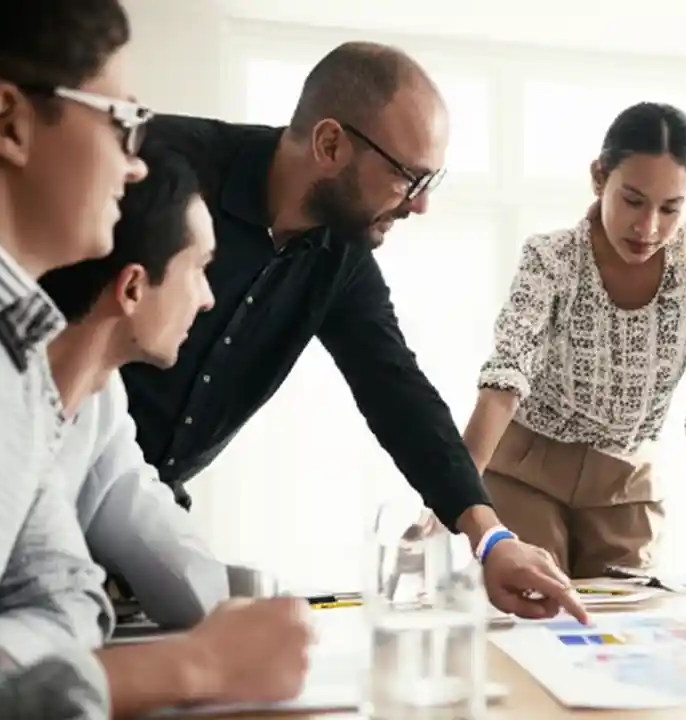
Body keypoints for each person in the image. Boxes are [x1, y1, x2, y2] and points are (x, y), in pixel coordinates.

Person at [129, 41, 586, 622]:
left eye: (431, 180)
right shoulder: (157, 168)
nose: (420, 205)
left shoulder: (340, 255)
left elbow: (397, 390)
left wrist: (490, 537)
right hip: (50, 472)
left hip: (144, 511)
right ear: (329, 144)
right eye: (407, 177)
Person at [0, 3, 311, 717]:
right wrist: (194, 664)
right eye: (122, 122)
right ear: (8, 123)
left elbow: (65, 594)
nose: (135, 162)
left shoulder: (12, 361)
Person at [461, 102, 686, 579]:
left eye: (670, 208)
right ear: (599, 178)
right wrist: (451, 501)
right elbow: (505, 378)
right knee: (535, 607)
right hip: (524, 473)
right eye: (633, 200)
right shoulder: (551, 258)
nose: (648, 227)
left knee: (627, 616)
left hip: (626, 485)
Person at [39, 148, 224, 629]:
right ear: (133, 288)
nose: (208, 299)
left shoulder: (102, 398)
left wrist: (239, 611)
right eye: (199, 268)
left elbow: (148, 526)